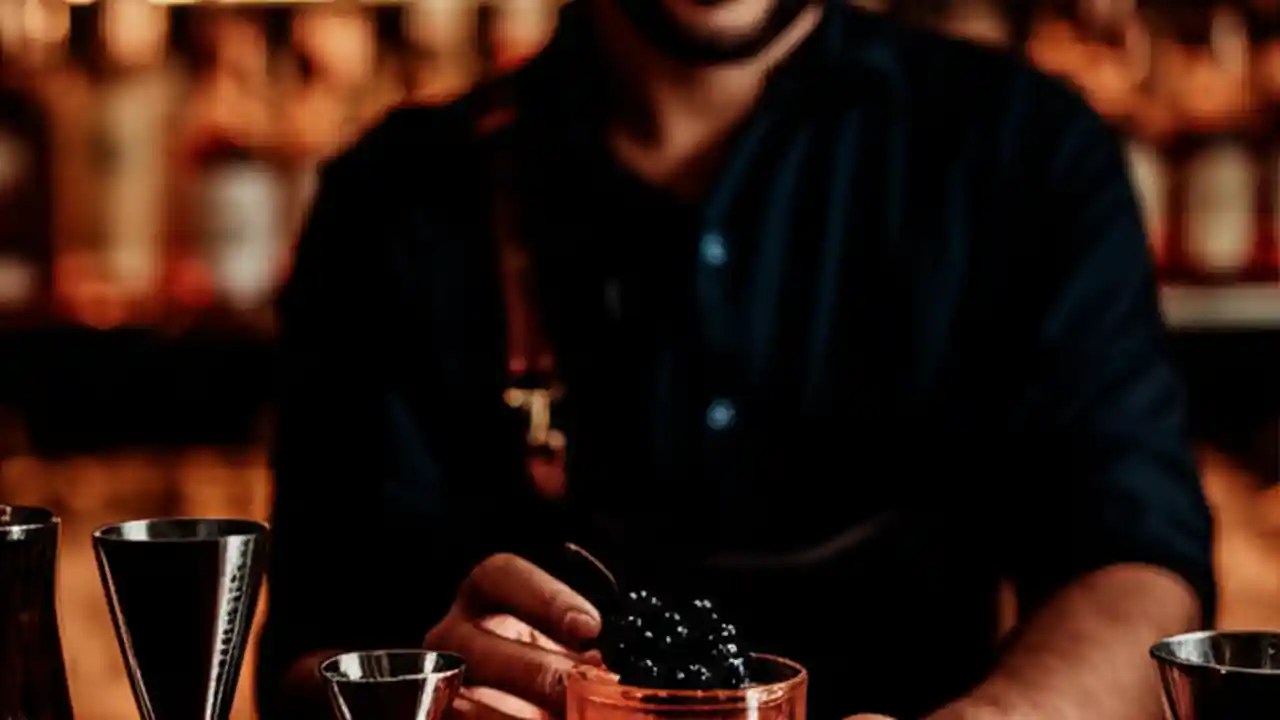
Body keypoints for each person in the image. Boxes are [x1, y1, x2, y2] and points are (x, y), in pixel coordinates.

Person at [255, 0, 1214, 716]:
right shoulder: (395, 199)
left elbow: (1138, 579)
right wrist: (428, 693)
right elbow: (306, 659)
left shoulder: (1026, 154)